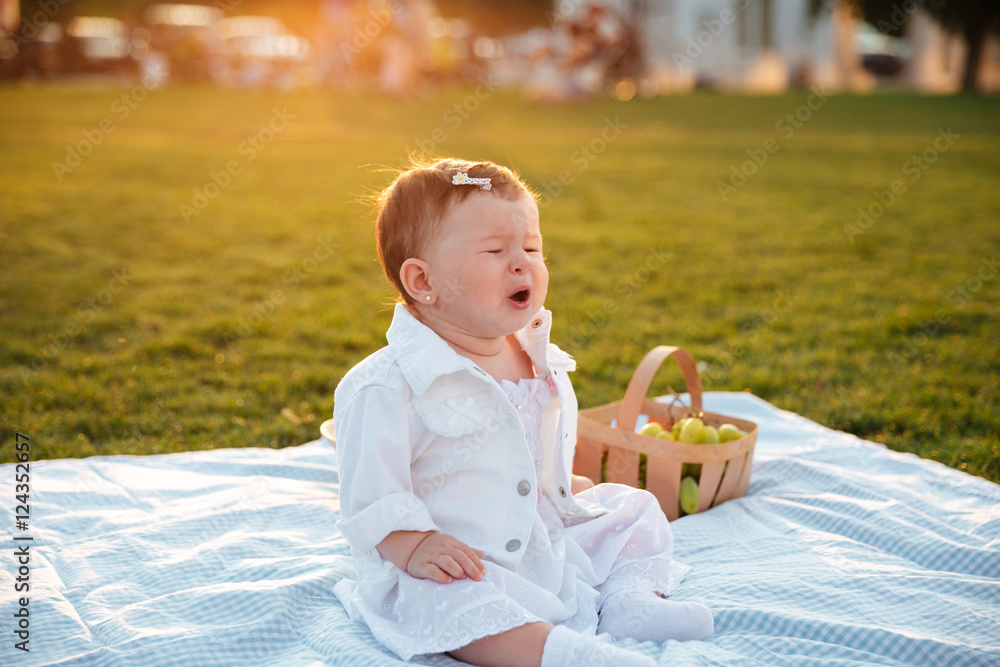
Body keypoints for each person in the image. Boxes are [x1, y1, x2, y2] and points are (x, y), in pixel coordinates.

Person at [332, 158, 714, 667]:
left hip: (539, 535)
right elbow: (370, 496)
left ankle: (631, 603)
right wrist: (414, 544)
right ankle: (561, 654)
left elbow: (530, 445)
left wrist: (555, 482)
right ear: (424, 281)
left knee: (631, 508)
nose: (522, 263)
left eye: (532, 248)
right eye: (495, 251)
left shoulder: (534, 356)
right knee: (453, 605)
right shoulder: (384, 387)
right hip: (457, 560)